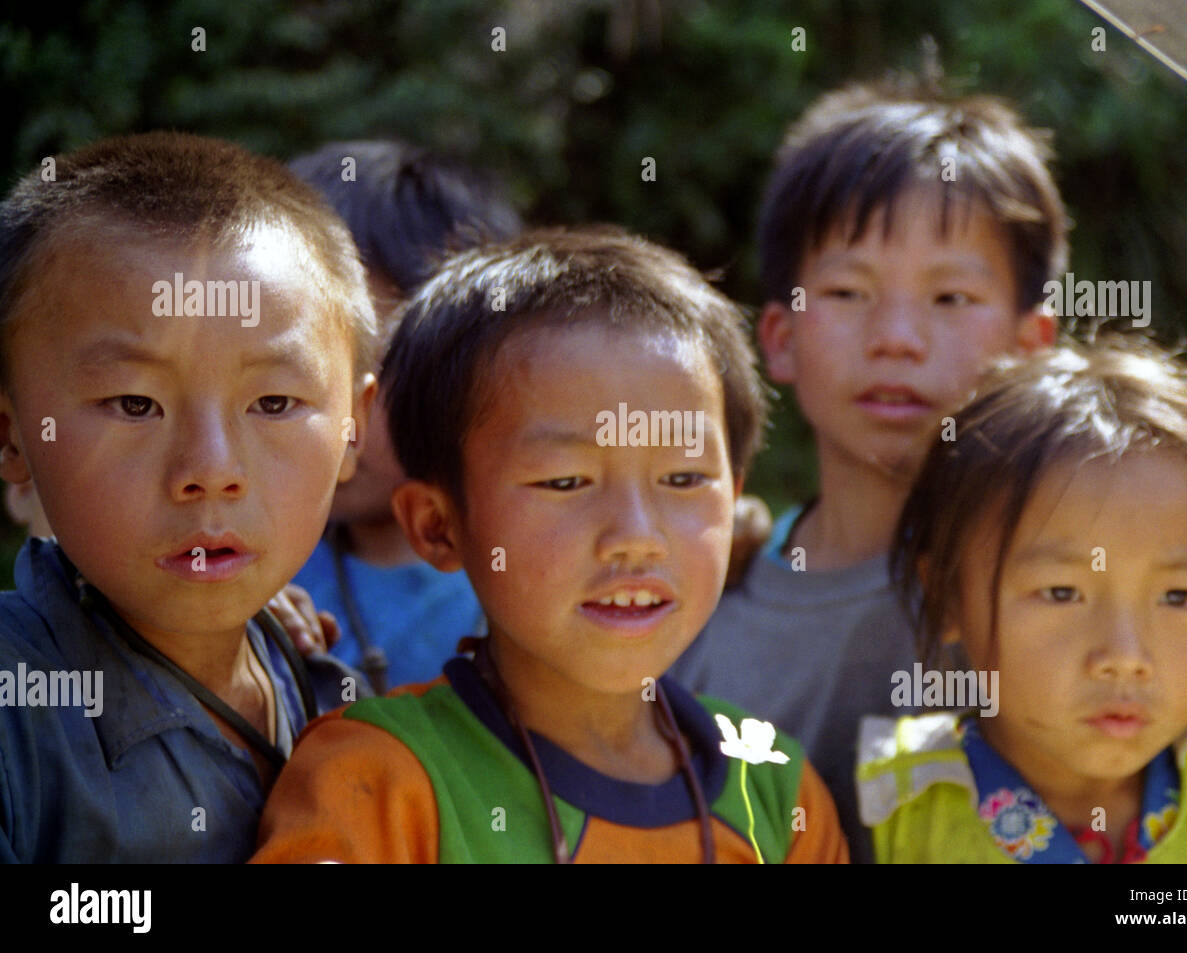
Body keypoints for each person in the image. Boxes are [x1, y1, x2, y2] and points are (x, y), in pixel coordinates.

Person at [252, 226, 848, 863]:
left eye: (683, 479)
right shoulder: (378, 781)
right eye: (566, 481)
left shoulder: (777, 792)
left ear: (733, 495)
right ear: (437, 525)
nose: (637, 538)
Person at [669, 79, 1064, 852]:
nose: (897, 337)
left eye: (951, 297)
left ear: (1032, 343)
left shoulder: (1093, 579)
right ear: (779, 338)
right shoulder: (688, 616)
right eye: (848, 292)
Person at [0, 131, 377, 862]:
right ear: (13, 438)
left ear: (352, 431)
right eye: (134, 404)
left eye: (273, 402)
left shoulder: (330, 690)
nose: (210, 469)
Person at [857, 334, 1187, 862]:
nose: (1124, 657)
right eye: (1062, 592)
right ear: (949, 598)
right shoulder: (894, 810)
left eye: (1179, 596)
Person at [285, 141, 522, 691]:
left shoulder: (529, 577)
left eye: (376, 364)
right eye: (287, 375)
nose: (335, 416)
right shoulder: (242, 574)